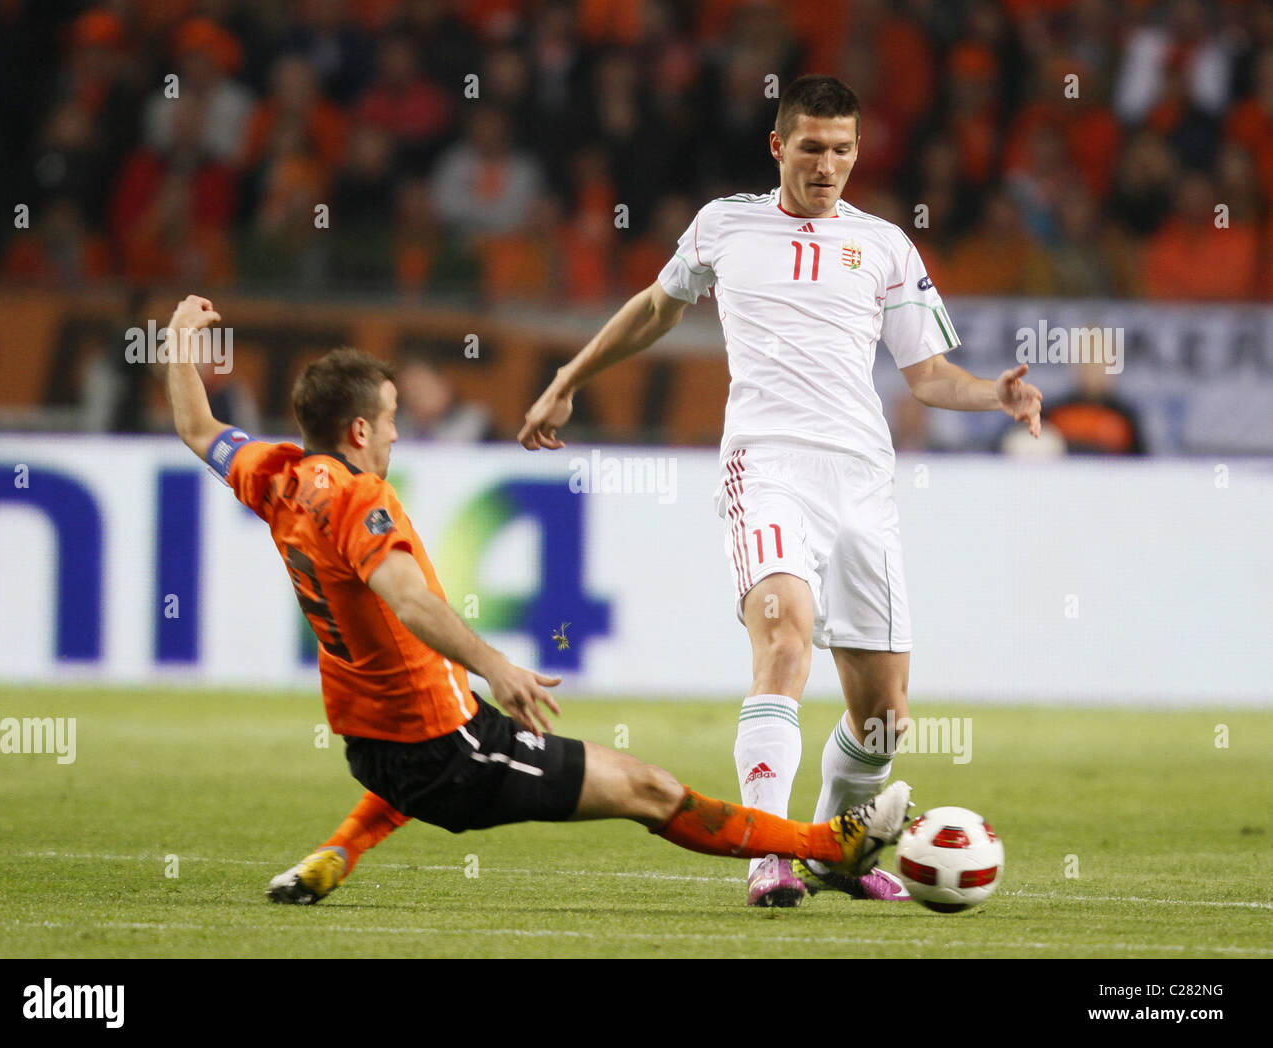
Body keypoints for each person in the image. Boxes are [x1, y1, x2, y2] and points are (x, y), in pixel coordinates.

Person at [160, 294, 911, 904]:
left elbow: (198, 428)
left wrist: (178, 348)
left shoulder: (278, 474)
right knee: (649, 790)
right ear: (359, 430)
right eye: (389, 421)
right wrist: (498, 666)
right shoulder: (359, 500)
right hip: (443, 749)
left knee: (423, 757)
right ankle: (828, 844)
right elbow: (411, 602)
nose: (396, 434)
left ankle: (334, 853)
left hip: (369, 745)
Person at [518, 76, 1042, 908]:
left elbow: (930, 374)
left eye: (841, 150)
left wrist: (996, 395)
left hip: (862, 483)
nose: (827, 165)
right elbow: (658, 306)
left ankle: (833, 848)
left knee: (883, 717)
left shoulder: (886, 247)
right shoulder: (725, 224)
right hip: (765, 466)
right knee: (786, 639)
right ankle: (770, 853)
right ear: (778, 146)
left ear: (858, 152)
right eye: (811, 148)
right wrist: (569, 377)